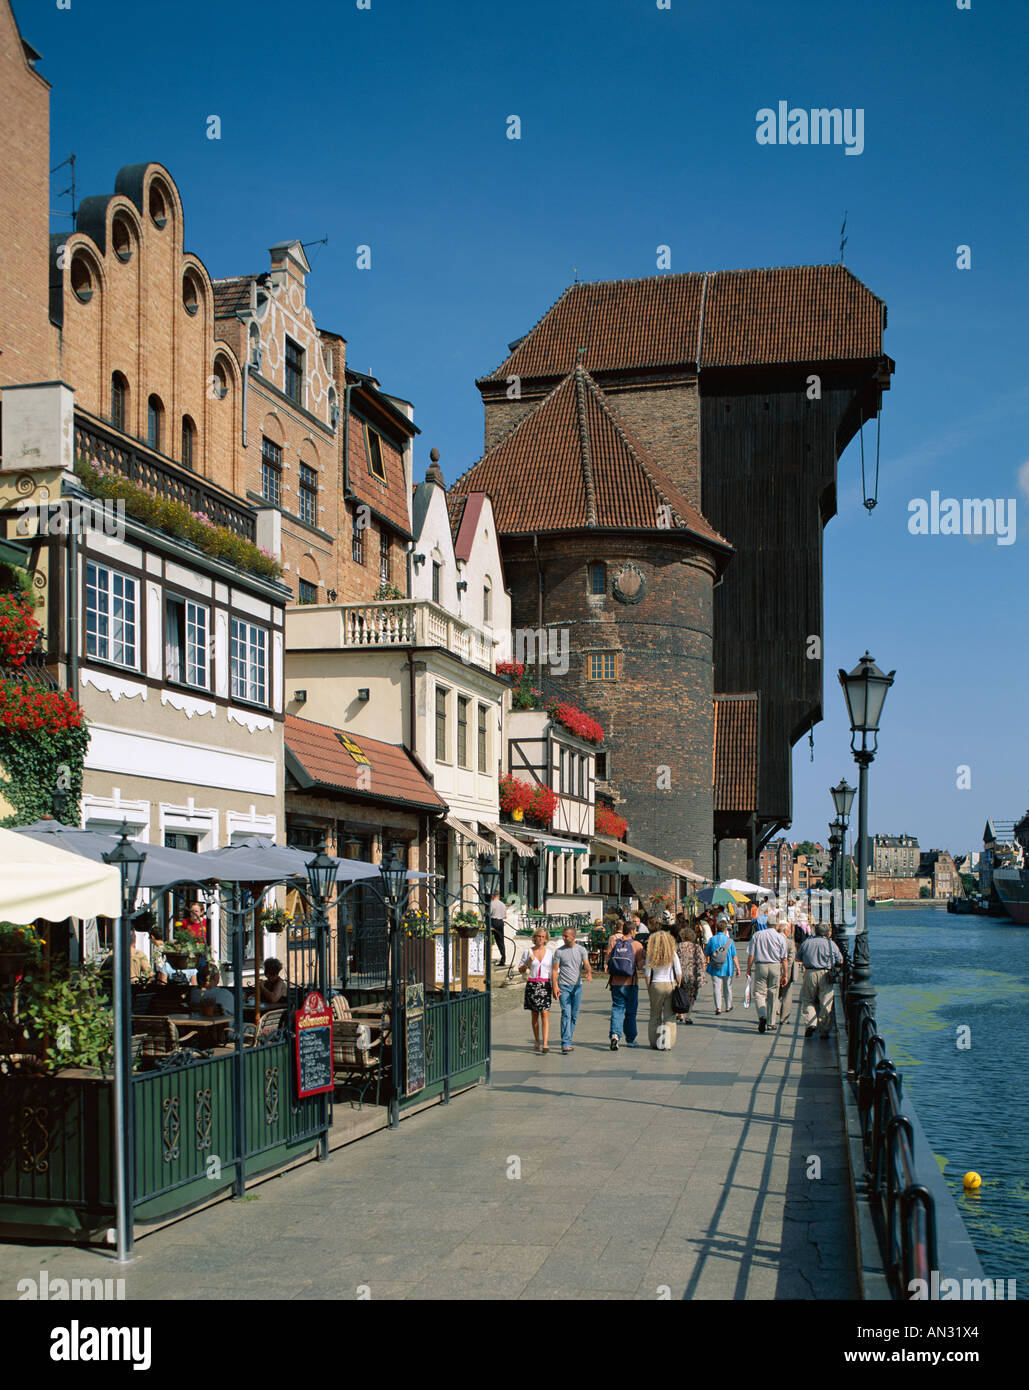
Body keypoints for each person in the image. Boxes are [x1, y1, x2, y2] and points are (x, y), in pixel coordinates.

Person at [605, 917, 646, 1049]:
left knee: (617, 1008)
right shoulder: (637, 945)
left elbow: (608, 960)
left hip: (616, 982)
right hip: (631, 982)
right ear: (633, 931)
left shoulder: (614, 943)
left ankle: (615, 1035)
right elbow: (640, 966)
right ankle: (631, 1039)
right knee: (631, 1012)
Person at [799, 923, 843, 1039]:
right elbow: (841, 960)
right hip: (825, 974)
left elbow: (798, 958)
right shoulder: (830, 944)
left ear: (816, 932)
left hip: (809, 973)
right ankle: (824, 1029)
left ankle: (811, 1023)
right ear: (828, 933)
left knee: (808, 999)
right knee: (826, 1002)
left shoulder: (807, 943)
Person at [552, 925, 592, 1053]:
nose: (563, 938)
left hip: (577, 987)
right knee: (566, 1014)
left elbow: (586, 963)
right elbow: (554, 970)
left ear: (573, 937)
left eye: (566, 936)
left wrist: (589, 972)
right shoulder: (559, 952)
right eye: (563, 935)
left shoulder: (581, 950)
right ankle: (565, 1043)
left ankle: (568, 1038)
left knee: (574, 1015)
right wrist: (555, 985)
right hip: (564, 986)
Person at [747, 913, 787, 1034]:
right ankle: (771, 1022)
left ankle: (762, 1016)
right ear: (777, 925)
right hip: (775, 966)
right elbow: (784, 958)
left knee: (759, 993)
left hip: (761, 965)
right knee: (773, 993)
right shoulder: (780, 937)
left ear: (766, 923)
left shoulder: (757, 935)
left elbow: (751, 954)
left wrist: (748, 968)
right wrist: (785, 974)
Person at [518, 928, 555, 1052]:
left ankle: (545, 1043)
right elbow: (521, 970)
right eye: (538, 936)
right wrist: (528, 962)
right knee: (534, 1014)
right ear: (534, 937)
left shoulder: (550, 953)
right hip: (532, 984)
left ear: (546, 939)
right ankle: (537, 1041)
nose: (540, 938)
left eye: (543, 937)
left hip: (545, 984)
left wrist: (555, 986)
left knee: (545, 1012)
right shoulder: (527, 951)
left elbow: (553, 971)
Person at [644, 930, 682, 1050]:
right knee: (669, 1016)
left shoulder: (650, 954)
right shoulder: (672, 954)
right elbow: (679, 972)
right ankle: (667, 1043)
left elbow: (647, 974)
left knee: (655, 1015)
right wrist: (678, 985)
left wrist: (649, 988)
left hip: (656, 984)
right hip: (670, 984)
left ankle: (654, 1042)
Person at [704, 919, 739, 1014]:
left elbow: (707, 953)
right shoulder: (730, 941)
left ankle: (718, 1008)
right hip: (728, 967)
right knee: (727, 987)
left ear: (716, 929)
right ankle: (728, 1006)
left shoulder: (711, 939)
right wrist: (738, 968)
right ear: (725, 929)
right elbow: (734, 956)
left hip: (715, 966)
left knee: (716, 987)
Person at [674, 924, 706, 1024]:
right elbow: (702, 962)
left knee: (680, 993)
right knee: (692, 996)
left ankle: (680, 1014)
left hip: (681, 975)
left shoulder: (678, 946)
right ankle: (688, 1016)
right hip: (694, 975)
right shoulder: (697, 947)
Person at [775, 920, 797, 1028]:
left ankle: (773, 1013)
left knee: (774, 993)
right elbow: (791, 960)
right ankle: (784, 1018)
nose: (789, 932)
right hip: (785, 971)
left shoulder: (773, 940)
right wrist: (786, 974)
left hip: (774, 970)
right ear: (784, 930)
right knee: (786, 995)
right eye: (788, 930)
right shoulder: (789, 942)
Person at [489, 892, 508, 967]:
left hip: (493, 921)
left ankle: (485, 957)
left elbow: (489, 913)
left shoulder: (492, 903)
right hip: (500, 922)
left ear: (493, 896)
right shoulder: (503, 904)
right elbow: (505, 916)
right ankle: (503, 960)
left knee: (487, 940)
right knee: (501, 942)